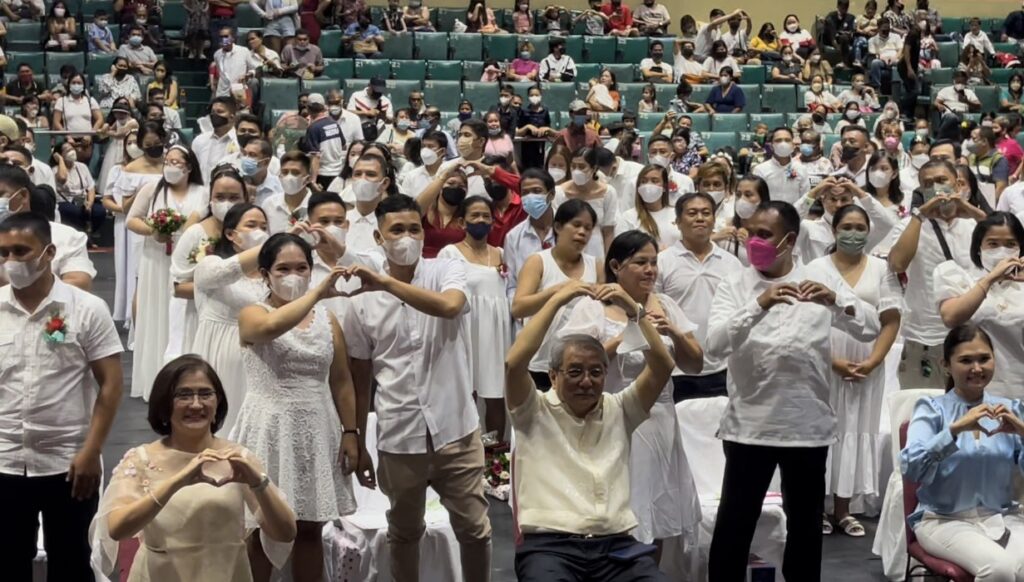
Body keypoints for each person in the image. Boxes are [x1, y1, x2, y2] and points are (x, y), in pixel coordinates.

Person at [706, 200, 881, 582]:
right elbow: (714, 346)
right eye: (750, 233)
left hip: (807, 426)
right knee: (734, 527)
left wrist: (838, 300)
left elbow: (869, 328)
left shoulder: (819, 279)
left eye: (764, 235)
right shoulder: (735, 283)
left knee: (804, 533)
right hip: (749, 426)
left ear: (789, 240)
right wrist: (757, 305)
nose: (754, 241)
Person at [341, 194, 492, 582]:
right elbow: (360, 373)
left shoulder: (446, 268)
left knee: (475, 530)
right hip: (399, 431)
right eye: (397, 230)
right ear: (379, 236)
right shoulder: (361, 298)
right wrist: (354, 435)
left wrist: (387, 283)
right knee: (404, 532)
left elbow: (450, 307)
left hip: (454, 427)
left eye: (414, 228)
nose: (407, 237)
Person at [505, 260, 675, 581]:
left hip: (616, 546)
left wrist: (634, 310)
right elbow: (515, 363)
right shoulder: (532, 410)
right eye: (575, 372)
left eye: (596, 372)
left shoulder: (620, 409)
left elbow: (663, 366)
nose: (586, 381)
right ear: (553, 376)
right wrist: (556, 300)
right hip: (549, 546)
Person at [560, 230, 702, 554]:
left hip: (660, 420)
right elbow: (579, 363)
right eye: (640, 262)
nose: (650, 270)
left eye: (653, 262)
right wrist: (629, 332)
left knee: (658, 508)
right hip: (612, 420)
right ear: (615, 266)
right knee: (614, 509)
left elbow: (695, 364)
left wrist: (674, 333)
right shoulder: (593, 308)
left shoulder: (665, 304)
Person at [93, 354, 296, 580]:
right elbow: (117, 529)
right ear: (165, 403)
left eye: (205, 394)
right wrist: (177, 482)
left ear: (217, 401)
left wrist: (259, 483)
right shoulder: (141, 459)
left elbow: (285, 532)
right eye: (184, 395)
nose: (196, 404)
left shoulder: (237, 457)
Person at [0, 211, 123, 581]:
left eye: (22, 251)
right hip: (4, 460)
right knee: (7, 565)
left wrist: (92, 451)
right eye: (3, 253)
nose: (12, 262)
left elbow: (112, 384)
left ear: (49, 252)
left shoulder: (86, 308)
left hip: (69, 462)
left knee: (72, 563)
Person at [233, 232, 358, 582]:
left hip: (319, 427)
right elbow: (271, 327)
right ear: (264, 273)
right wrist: (318, 291)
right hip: (269, 426)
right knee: (263, 527)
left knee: (310, 528)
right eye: (283, 268)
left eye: (302, 268)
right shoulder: (251, 314)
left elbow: (342, 380)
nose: (294, 276)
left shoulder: (327, 320)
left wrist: (351, 431)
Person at [803, 205, 902, 537]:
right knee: (823, 432)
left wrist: (873, 361)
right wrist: (832, 360)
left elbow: (891, 319)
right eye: (847, 226)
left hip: (866, 363)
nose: (854, 233)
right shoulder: (815, 268)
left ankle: (844, 509)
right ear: (834, 229)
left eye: (861, 227)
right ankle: (816, 507)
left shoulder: (881, 269)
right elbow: (801, 321)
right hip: (823, 360)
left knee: (857, 430)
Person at [900, 324, 1024, 581]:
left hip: (1002, 517)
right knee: (999, 569)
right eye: (966, 360)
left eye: (984, 359)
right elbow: (911, 467)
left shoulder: (1011, 409)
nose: (977, 368)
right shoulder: (932, 409)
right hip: (942, 520)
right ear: (946, 364)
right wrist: (954, 431)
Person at [889, 159, 982, 390]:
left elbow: (1005, 247)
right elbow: (898, 264)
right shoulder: (909, 225)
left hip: (972, 333)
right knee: (919, 413)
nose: (936, 188)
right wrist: (920, 216)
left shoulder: (974, 224)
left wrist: (967, 208)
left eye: (942, 181)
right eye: (927, 184)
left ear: (958, 184)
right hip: (924, 335)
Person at [126, 144, 208, 401]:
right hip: (156, 260)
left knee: (182, 316)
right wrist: (153, 230)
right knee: (157, 313)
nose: (171, 167)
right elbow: (132, 219)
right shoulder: (152, 190)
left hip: (187, 264)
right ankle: (155, 378)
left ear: (189, 167)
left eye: (177, 162)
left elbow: (203, 222)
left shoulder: (202, 192)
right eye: (168, 162)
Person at [437, 195, 512, 441]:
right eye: (474, 216)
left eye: (486, 216)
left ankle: (495, 459)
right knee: (465, 391)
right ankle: (465, 448)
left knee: (495, 393)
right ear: (462, 222)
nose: (481, 220)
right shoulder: (450, 253)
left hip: (496, 332)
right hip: (464, 328)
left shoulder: (502, 254)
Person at [512, 199, 602, 390]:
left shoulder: (596, 265)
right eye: (576, 225)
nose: (582, 232)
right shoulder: (538, 262)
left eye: (588, 228)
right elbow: (518, 307)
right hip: (542, 361)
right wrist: (557, 290)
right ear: (559, 227)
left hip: (581, 364)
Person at [934, 212, 1024, 399]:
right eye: (993, 244)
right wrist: (990, 279)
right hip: (974, 390)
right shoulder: (959, 278)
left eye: (1010, 244)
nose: (1002, 251)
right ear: (978, 248)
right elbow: (951, 317)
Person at [554, 147, 617, 260]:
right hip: (567, 250)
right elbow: (557, 229)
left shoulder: (608, 192)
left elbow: (608, 232)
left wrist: (609, 262)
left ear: (594, 168)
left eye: (582, 167)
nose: (576, 170)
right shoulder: (559, 192)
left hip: (596, 251)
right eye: (573, 166)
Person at [614, 163, 678, 249]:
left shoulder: (677, 214)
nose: (648, 185)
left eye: (655, 181)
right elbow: (621, 249)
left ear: (664, 186)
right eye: (643, 181)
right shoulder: (628, 217)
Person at [53, 141, 102, 239]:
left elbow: (91, 187)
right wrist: (61, 160)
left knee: (100, 211)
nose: (71, 151)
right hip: (65, 202)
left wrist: (90, 203)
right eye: (67, 150)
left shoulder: (82, 167)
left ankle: (89, 234)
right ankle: (81, 236)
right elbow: (62, 178)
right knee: (75, 211)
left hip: (82, 201)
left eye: (72, 148)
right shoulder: (55, 169)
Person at [753, 127, 810, 205]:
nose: (783, 144)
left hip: (795, 215)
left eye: (787, 140)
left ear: (793, 144)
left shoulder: (801, 169)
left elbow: (805, 198)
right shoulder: (760, 170)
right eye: (778, 140)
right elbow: (757, 199)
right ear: (771, 146)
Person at [193, 97, 242, 184]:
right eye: (213, 112)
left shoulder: (239, 142)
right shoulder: (199, 140)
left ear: (231, 117)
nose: (214, 115)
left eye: (220, 112)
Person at [968, 127, 1010, 206]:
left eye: (974, 139)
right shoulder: (971, 157)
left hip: (988, 206)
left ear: (984, 141)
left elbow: (1000, 188)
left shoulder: (998, 159)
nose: (970, 142)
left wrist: (987, 208)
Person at [211, 28, 257, 99]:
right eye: (221, 37)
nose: (223, 39)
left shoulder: (244, 51)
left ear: (232, 38)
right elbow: (220, 73)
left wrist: (247, 75)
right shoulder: (217, 54)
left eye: (226, 36)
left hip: (239, 90)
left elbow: (254, 69)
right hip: (222, 92)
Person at [867, 18, 903, 90]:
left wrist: (895, 57)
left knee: (901, 63)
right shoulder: (872, 40)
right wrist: (882, 58)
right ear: (879, 28)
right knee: (875, 63)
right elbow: (873, 53)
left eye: (888, 29)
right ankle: (876, 86)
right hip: (881, 59)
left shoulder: (896, 37)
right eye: (884, 29)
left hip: (895, 58)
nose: (886, 31)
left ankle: (900, 87)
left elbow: (900, 49)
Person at [825, 0, 857, 66]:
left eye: (845, 8)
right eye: (842, 8)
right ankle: (845, 61)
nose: (843, 10)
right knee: (829, 22)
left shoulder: (851, 17)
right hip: (833, 38)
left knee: (845, 37)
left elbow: (852, 31)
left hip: (846, 38)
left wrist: (847, 33)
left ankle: (845, 62)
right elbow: (829, 29)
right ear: (838, 6)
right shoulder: (831, 16)